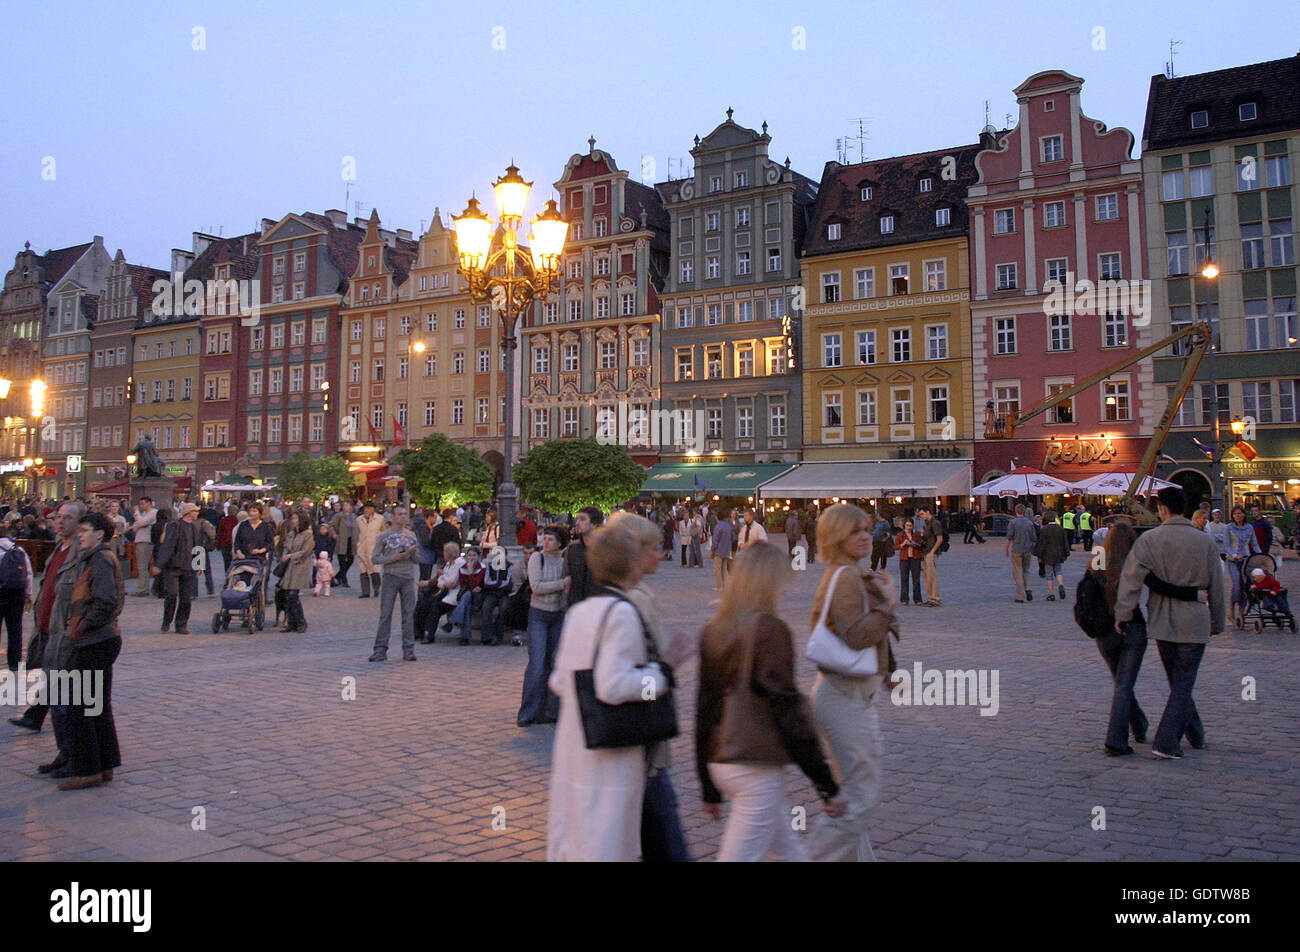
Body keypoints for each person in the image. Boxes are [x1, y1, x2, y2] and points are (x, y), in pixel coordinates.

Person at [697, 542, 844, 861]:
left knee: (789, 850)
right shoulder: (769, 629)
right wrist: (825, 783)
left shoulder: (714, 629)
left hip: (722, 759)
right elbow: (786, 707)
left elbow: (704, 710)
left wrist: (708, 785)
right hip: (754, 763)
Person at [546, 519, 673, 861]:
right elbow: (614, 686)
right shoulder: (622, 613)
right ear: (630, 564)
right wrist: (661, 675)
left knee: (576, 842)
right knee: (608, 844)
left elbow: (558, 681)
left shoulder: (581, 612)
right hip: (610, 755)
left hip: (575, 750)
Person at [807, 504, 898, 862]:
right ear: (835, 537)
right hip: (844, 697)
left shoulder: (849, 572)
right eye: (854, 531)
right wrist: (887, 606)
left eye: (866, 529)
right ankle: (810, 856)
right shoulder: (843, 575)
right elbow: (856, 636)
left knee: (852, 792)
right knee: (861, 794)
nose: (864, 536)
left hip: (849, 694)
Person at [602, 512, 694, 862]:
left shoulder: (620, 594)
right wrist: (664, 674)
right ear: (634, 552)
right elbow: (625, 679)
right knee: (667, 846)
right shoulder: (635, 600)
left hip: (633, 746)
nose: (660, 553)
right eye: (653, 547)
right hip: (642, 745)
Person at [1115, 486, 1225, 760]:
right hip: (1195, 620)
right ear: (1186, 508)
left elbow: (1131, 581)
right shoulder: (1205, 541)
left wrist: (1124, 614)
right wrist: (1219, 620)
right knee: (1183, 682)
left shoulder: (1149, 540)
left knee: (1178, 682)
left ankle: (1189, 736)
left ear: (1162, 509)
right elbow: (1218, 585)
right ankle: (1172, 740)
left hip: (1163, 619)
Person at [53, 511, 125, 790]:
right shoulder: (96, 558)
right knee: (96, 706)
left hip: (95, 641)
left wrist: (82, 625)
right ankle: (104, 765)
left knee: (80, 707)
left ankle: (87, 770)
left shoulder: (100, 559)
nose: (79, 535)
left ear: (99, 534)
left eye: (84, 530)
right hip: (100, 639)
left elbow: (106, 601)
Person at [1074, 523, 1149, 755]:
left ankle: (1139, 724)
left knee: (1121, 682)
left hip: (1105, 631)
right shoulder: (1134, 559)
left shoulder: (1099, 557)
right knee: (1124, 684)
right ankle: (1116, 740)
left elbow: (1086, 588)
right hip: (1131, 626)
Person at [9, 502, 82, 736]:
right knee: (50, 672)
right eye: (59, 517)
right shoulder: (59, 547)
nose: (60, 521)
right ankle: (36, 715)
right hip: (46, 621)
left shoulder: (81, 552)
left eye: (68, 518)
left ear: (80, 523)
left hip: (64, 625)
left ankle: (56, 730)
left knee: (58, 676)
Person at [517, 525, 570, 727]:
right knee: (537, 664)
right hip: (538, 614)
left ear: (559, 543)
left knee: (554, 663)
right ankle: (527, 711)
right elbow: (536, 587)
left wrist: (564, 586)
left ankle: (550, 710)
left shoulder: (565, 562)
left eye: (550, 539)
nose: (545, 542)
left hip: (558, 615)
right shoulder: (536, 559)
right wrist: (562, 584)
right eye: (544, 538)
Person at [369, 509, 420, 661]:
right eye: (400, 514)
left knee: (408, 614)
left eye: (405, 514)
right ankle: (380, 649)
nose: (403, 517)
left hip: (408, 577)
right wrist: (393, 558)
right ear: (393, 517)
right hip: (391, 576)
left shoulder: (411, 535)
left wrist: (412, 554)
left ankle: (409, 649)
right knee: (386, 614)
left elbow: (417, 560)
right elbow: (375, 558)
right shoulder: (384, 536)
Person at [155, 502, 202, 634]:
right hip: (173, 567)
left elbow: (197, 546)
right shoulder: (175, 525)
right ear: (188, 512)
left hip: (188, 567)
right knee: (172, 593)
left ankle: (181, 624)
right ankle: (167, 621)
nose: (197, 513)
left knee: (186, 597)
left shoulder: (194, 527)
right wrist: (159, 564)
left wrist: (199, 564)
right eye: (195, 511)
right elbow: (168, 545)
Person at [0, 524, 34, 671]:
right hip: (16, 594)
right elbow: (28, 573)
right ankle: (15, 662)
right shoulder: (18, 549)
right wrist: (28, 594)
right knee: (15, 629)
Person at [1224, 505, 1261, 628]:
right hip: (1233, 560)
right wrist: (1234, 555)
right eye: (1235, 514)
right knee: (1237, 584)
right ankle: (1231, 608)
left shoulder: (1249, 527)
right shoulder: (1228, 528)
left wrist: (1261, 556)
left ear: (1244, 514)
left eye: (1240, 513)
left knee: (1246, 586)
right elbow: (1227, 546)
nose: (1237, 516)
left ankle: (1241, 613)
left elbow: (1254, 544)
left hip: (1246, 560)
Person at [565, 506, 604, 606]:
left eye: (582, 519)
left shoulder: (606, 550)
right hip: (575, 604)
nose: (577, 523)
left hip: (599, 606)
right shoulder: (572, 549)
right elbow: (567, 574)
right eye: (577, 519)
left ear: (594, 524)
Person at [449, 546, 486, 645]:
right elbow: (463, 585)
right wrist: (470, 574)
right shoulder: (462, 569)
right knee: (467, 601)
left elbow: (476, 584)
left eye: (474, 555)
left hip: (479, 596)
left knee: (467, 597)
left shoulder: (482, 568)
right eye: (469, 555)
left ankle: (456, 625)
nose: (471, 558)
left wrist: (470, 573)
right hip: (467, 594)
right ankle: (464, 637)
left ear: (478, 556)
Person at [479, 546, 514, 646]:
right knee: (486, 607)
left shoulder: (509, 566)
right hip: (492, 594)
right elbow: (486, 582)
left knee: (503, 609)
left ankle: (498, 635)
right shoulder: (490, 566)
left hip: (504, 594)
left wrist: (495, 584)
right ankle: (487, 636)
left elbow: (508, 583)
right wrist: (498, 584)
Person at [1035, 509, 1070, 602]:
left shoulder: (1044, 530)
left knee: (1049, 574)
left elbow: (1041, 543)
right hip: (1058, 553)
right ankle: (1060, 584)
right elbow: (1065, 542)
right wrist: (1066, 553)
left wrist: (1038, 554)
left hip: (1047, 555)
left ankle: (1051, 594)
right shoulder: (1060, 529)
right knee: (1058, 571)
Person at [1006, 503, 1038, 603]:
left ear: (1016, 511)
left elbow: (1009, 537)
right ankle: (1028, 588)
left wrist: (1006, 549)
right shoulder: (1029, 523)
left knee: (1017, 572)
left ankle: (1020, 596)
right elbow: (1034, 538)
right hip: (1027, 549)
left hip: (1016, 549)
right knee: (1026, 570)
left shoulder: (1013, 522)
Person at [353, 502, 385, 598]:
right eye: (365, 508)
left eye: (369, 508)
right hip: (362, 547)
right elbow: (357, 533)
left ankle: (376, 588)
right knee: (363, 570)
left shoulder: (380, 519)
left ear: (373, 509)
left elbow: (383, 532)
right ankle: (365, 591)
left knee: (374, 570)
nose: (367, 510)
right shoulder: (359, 519)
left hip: (374, 547)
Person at [129, 497, 157, 595]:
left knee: (142, 566)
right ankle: (144, 588)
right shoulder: (144, 514)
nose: (141, 506)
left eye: (142, 504)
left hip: (146, 541)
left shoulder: (153, 513)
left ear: (149, 503)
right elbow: (136, 526)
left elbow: (141, 523)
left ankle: (142, 589)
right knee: (142, 566)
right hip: (140, 540)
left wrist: (137, 512)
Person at [893, 519, 923, 606]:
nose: (909, 527)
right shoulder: (901, 535)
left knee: (916, 579)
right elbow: (895, 546)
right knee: (904, 579)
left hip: (915, 557)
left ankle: (917, 599)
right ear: (904, 526)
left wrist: (915, 544)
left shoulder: (916, 534)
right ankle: (904, 599)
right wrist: (902, 544)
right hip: (904, 558)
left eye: (910, 525)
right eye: (907, 525)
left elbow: (921, 544)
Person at [917, 506, 943, 607]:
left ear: (928, 512)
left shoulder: (935, 523)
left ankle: (935, 598)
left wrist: (932, 551)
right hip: (926, 551)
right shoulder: (927, 523)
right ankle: (930, 597)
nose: (922, 516)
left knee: (932, 576)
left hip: (931, 552)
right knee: (927, 576)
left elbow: (939, 539)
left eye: (922, 514)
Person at [328, 501, 356, 588]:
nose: (345, 507)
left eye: (347, 505)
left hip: (351, 540)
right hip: (342, 540)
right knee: (342, 560)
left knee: (351, 559)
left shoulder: (354, 516)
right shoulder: (339, 516)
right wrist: (334, 534)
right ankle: (344, 580)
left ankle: (339, 576)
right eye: (344, 505)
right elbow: (330, 525)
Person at [710, 507, 734, 592]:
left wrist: (712, 551)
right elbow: (732, 536)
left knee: (717, 569)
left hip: (719, 551)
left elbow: (715, 540)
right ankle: (725, 585)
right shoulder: (728, 526)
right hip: (726, 550)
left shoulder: (718, 527)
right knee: (724, 569)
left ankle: (719, 586)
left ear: (717, 517)